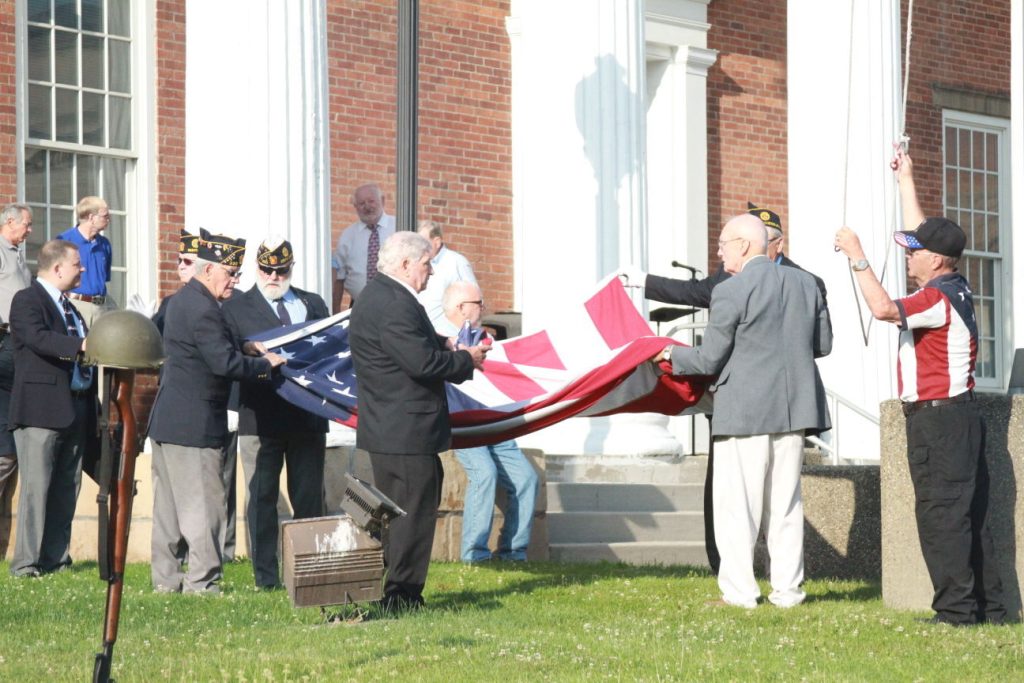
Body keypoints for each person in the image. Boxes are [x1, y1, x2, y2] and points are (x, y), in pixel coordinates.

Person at [833, 149, 1007, 626]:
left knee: (941, 518)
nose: (908, 255)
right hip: (960, 417)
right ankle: (989, 609)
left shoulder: (934, 298)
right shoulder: (954, 283)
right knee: (971, 516)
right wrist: (906, 178)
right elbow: (924, 229)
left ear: (934, 259)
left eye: (914, 252)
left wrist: (858, 258)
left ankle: (954, 613)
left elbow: (885, 310)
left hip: (939, 422)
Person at [619, 203, 828, 575]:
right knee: (786, 508)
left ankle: (739, 590)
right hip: (795, 411)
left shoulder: (731, 289)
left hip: (743, 412)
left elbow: (708, 360)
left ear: (746, 246)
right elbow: (822, 345)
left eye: (723, 244)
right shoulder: (808, 284)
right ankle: (787, 590)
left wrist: (667, 352)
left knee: (737, 506)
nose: (719, 252)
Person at [349, 231, 488, 611]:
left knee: (398, 514)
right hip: (406, 430)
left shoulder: (377, 296)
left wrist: (443, 344)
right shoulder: (394, 302)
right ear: (406, 264)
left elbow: (408, 348)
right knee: (411, 513)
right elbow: (419, 363)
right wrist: (467, 359)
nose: (429, 271)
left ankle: (394, 589)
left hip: (391, 427)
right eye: (426, 264)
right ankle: (402, 596)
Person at [146, 229, 286, 594]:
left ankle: (166, 582)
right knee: (204, 507)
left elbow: (206, 345)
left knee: (168, 510)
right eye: (230, 274)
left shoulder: (183, 301)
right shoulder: (205, 308)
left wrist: (245, 345)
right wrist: (265, 364)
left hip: (169, 421)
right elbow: (222, 362)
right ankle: (203, 584)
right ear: (208, 271)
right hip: (195, 425)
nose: (235, 281)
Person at [223, 237, 329, 589]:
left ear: (290, 268)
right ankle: (266, 578)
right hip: (261, 415)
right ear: (257, 267)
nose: (273, 276)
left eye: (280, 270)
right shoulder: (237, 308)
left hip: (308, 416)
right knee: (262, 499)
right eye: (267, 268)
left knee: (310, 498)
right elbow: (229, 355)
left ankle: (310, 573)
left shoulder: (313, 303)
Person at [8, 239, 95, 577]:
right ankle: (26, 564)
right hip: (40, 411)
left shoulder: (71, 307)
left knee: (66, 489)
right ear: (57, 268)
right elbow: (37, 338)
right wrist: (81, 345)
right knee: (36, 490)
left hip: (76, 408)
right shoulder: (27, 300)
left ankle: (55, 560)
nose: (83, 269)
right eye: (77, 264)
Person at [435, 281, 537, 562]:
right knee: (485, 474)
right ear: (460, 307)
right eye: (478, 303)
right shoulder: (436, 336)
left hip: (496, 423)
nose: (484, 308)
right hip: (463, 424)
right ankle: (475, 555)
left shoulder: (488, 340)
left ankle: (513, 553)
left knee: (527, 478)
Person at [0, 204, 33, 515]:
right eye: (27, 223)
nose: (30, 230)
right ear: (10, 222)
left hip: (19, 341)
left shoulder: (17, 253)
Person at [333, 183, 395, 311]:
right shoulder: (348, 236)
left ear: (382, 201)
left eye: (371, 201)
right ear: (355, 207)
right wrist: (335, 312)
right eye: (361, 203)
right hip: (359, 307)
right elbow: (339, 278)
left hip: (395, 306)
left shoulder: (399, 227)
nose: (367, 207)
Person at [58, 196, 115, 327]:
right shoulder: (64, 241)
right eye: (105, 216)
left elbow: (104, 279)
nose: (108, 219)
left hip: (102, 307)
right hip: (75, 305)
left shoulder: (105, 244)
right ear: (91, 217)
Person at [417, 220, 478, 327]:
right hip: (425, 331)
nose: (419, 247)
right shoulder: (420, 263)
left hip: (450, 336)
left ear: (437, 241)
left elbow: (474, 301)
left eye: (423, 242)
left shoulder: (456, 262)